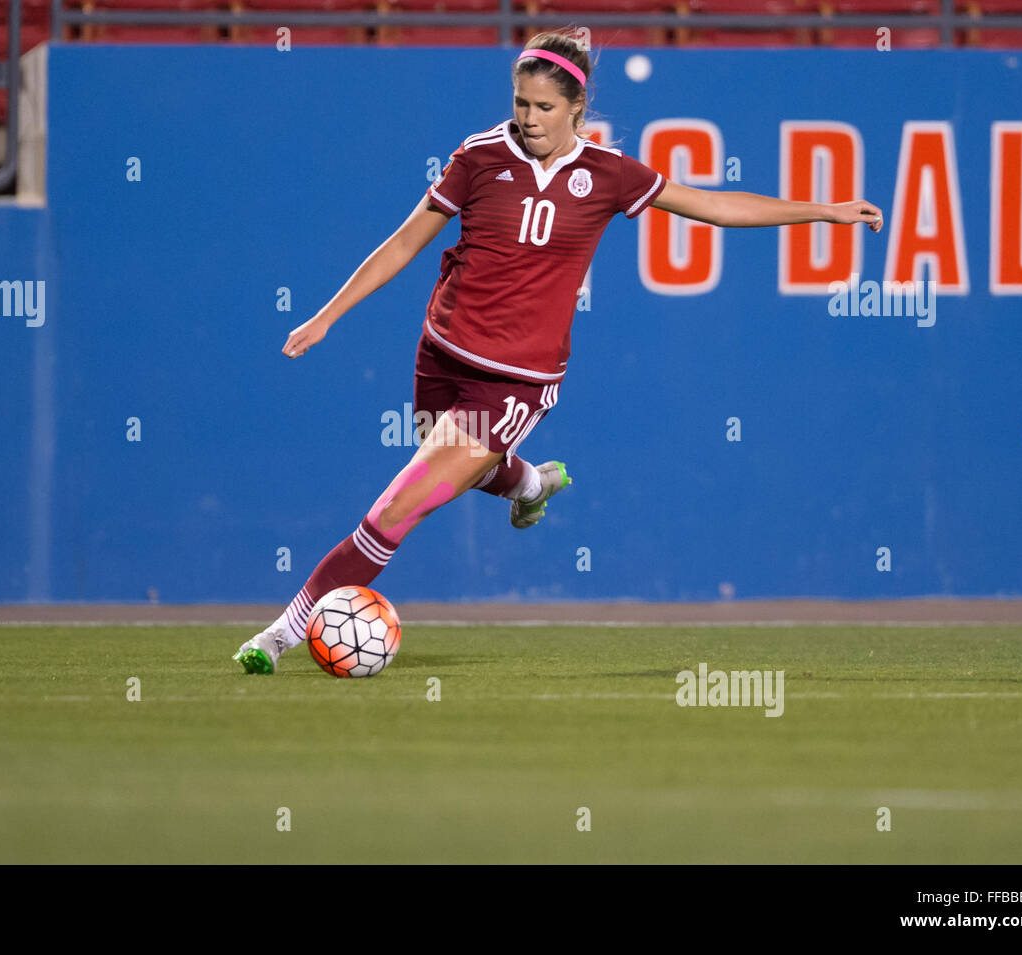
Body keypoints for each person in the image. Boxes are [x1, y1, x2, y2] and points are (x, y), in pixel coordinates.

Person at [235, 30, 884, 674]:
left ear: (577, 107)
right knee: (460, 467)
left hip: (516, 381)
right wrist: (326, 316)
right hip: (440, 352)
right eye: (521, 103)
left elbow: (714, 205)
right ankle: (531, 480)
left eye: (544, 107)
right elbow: (405, 242)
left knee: (396, 509)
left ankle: (280, 634)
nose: (529, 118)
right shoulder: (480, 156)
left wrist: (823, 211)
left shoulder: (609, 175)